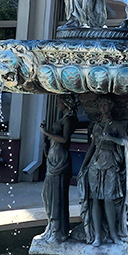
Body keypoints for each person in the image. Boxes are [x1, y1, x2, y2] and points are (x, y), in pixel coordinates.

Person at [78, 97, 128, 246]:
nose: (103, 107)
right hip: (95, 164)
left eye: (105, 104)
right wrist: (84, 165)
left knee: (109, 199)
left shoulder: (117, 125)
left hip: (110, 163)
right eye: (100, 105)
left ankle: (114, 234)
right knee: (95, 198)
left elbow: (125, 142)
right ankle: (97, 235)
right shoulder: (96, 126)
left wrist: (111, 138)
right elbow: (92, 146)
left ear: (111, 106)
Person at [40, 96, 77, 242]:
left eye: (59, 101)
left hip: (60, 158)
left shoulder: (68, 120)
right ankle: (52, 225)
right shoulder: (63, 118)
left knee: (55, 193)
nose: (57, 104)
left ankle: (57, 228)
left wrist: (46, 132)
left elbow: (64, 139)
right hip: (53, 156)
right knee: (47, 194)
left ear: (66, 103)